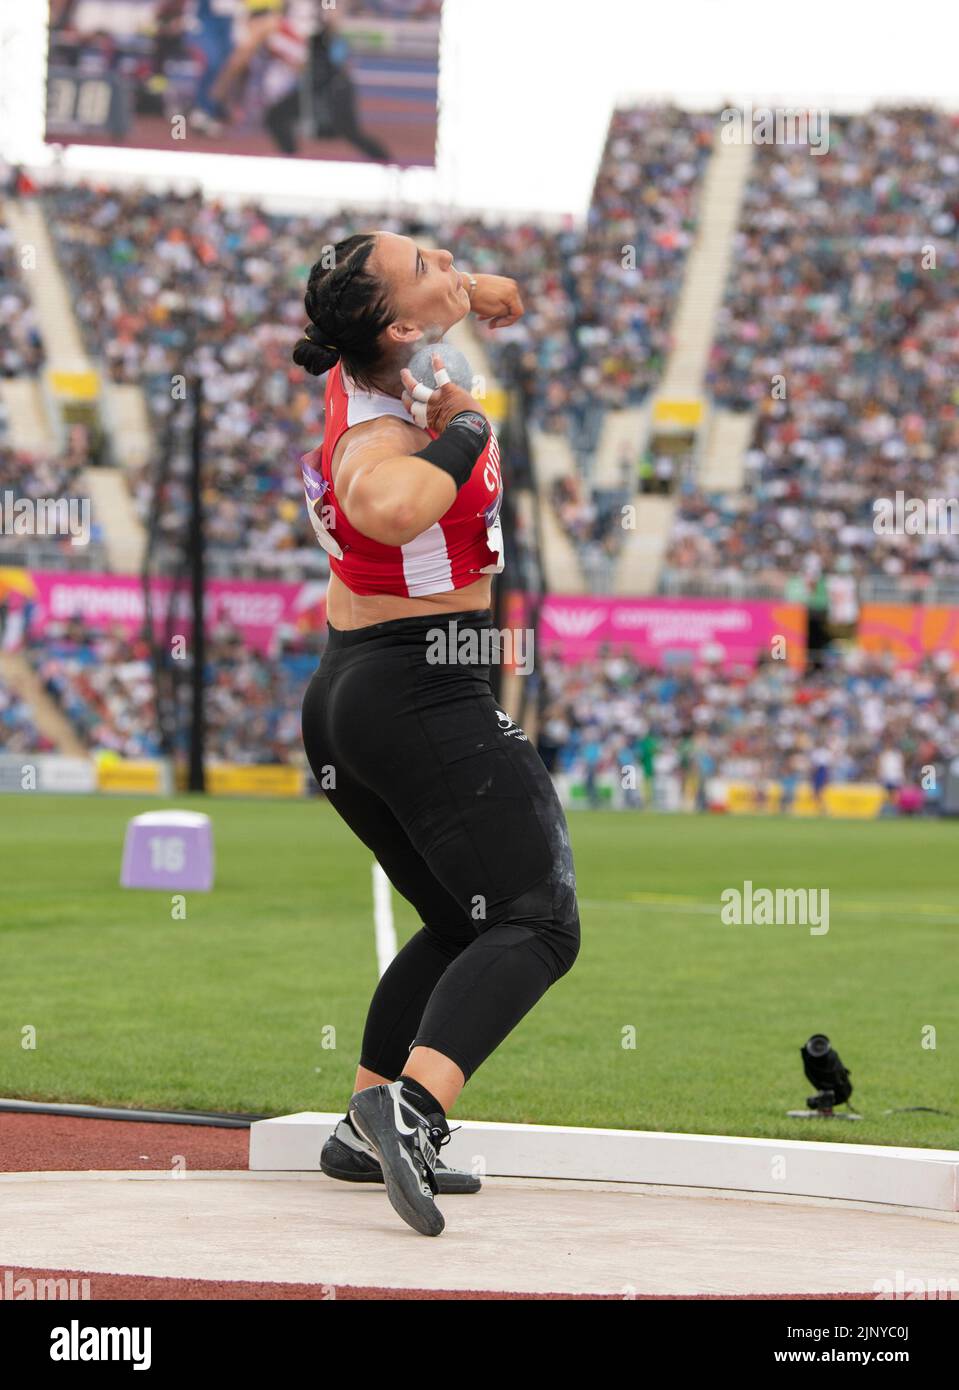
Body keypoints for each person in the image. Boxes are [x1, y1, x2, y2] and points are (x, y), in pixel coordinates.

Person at [294, 232, 581, 1236]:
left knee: (463, 918)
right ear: (399, 327)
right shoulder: (379, 431)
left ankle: (355, 1127)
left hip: (350, 688)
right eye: (426, 262)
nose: (446, 255)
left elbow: (442, 299)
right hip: (421, 688)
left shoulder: (366, 356)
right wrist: (465, 426)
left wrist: (477, 289)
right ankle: (411, 1109)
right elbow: (385, 506)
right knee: (537, 917)